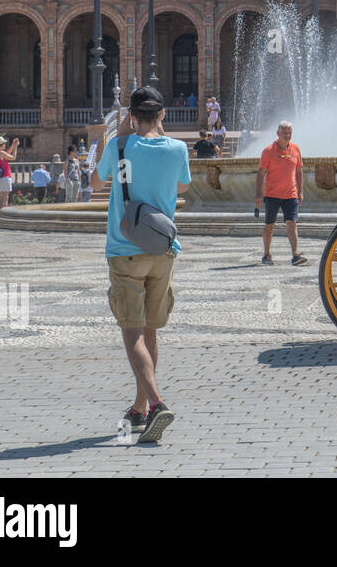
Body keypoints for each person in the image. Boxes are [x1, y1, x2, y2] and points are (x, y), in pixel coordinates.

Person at [92, 85, 190, 443]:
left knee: (133, 333)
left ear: (131, 115)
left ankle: (158, 404)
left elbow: (95, 182)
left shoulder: (120, 147)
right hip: (163, 250)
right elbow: (181, 188)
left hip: (124, 249)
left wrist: (120, 136)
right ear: (162, 115)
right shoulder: (178, 148)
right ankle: (140, 409)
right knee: (150, 331)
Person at [254, 121, 307, 266]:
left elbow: (299, 171)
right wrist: (259, 194)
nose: (287, 135)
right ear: (278, 133)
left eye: (289, 133)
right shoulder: (268, 151)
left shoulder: (296, 149)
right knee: (270, 225)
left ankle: (295, 255)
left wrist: (301, 191)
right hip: (272, 194)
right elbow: (260, 173)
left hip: (291, 194)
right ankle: (266, 254)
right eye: (284, 133)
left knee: (292, 223)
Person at [0, 135, 19, 210]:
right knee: (3, 200)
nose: (5, 144)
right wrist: (15, 146)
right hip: (4, 178)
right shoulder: (1, 153)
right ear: (1, 145)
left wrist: (12, 144)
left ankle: (3, 215)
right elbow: (13, 157)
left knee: (4, 199)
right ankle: (0, 216)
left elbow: (7, 153)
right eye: (4, 143)